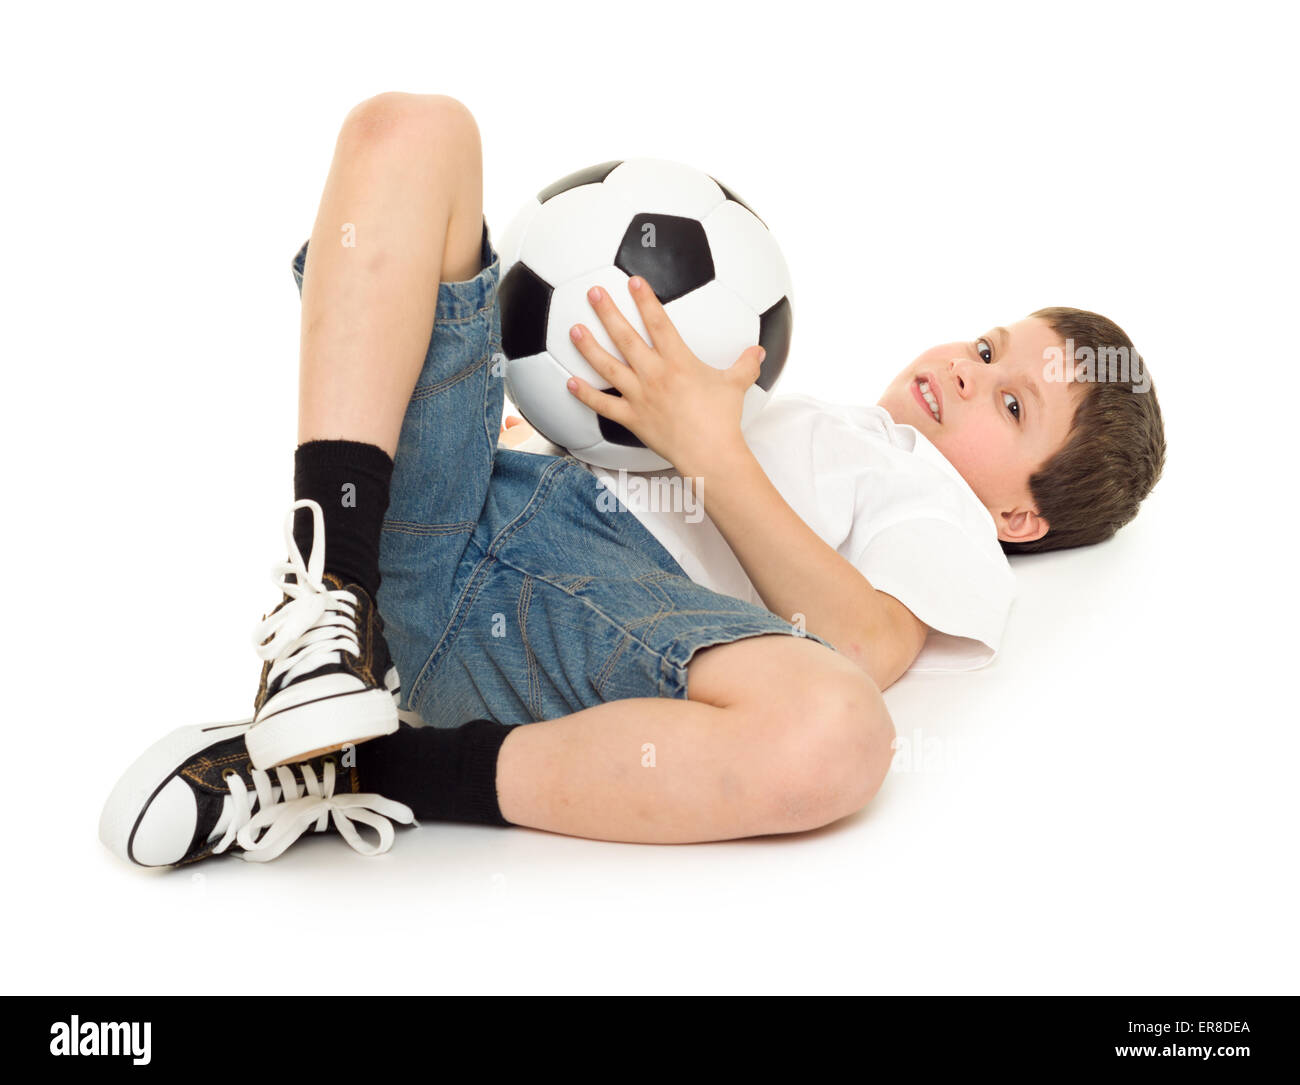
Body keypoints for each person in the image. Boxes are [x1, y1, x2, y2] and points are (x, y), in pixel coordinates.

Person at [99, 92, 1165, 867]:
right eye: (987, 348)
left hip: (581, 602)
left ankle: (358, 773)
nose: (970, 376)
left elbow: (868, 644)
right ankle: (328, 607)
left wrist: (707, 441)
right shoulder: (818, 412)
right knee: (414, 128)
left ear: (1019, 513)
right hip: (455, 512)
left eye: (1012, 403)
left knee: (840, 734)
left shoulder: (938, 510)